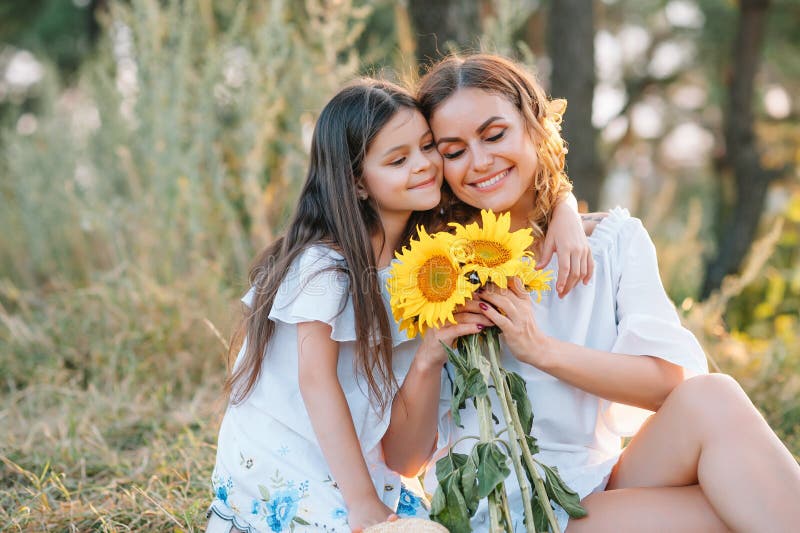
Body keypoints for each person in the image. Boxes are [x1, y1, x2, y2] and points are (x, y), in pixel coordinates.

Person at [382, 54, 800, 533]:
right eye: (454, 151)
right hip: (504, 511)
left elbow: (668, 384)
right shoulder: (428, 269)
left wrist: (541, 351)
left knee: (715, 397)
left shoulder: (612, 241)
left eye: (495, 135)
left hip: (596, 492)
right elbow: (403, 460)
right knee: (741, 503)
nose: (479, 163)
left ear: (536, 129)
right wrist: (429, 356)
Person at [206, 77, 593, 533]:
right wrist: (363, 503)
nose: (424, 166)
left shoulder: (429, 255)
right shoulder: (324, 265)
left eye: (428, 147)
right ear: (358, 184)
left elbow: (519, 201)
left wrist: (564, 207)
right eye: (398, 159)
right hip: (288, 470)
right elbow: (315, 380)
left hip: (372, 473)